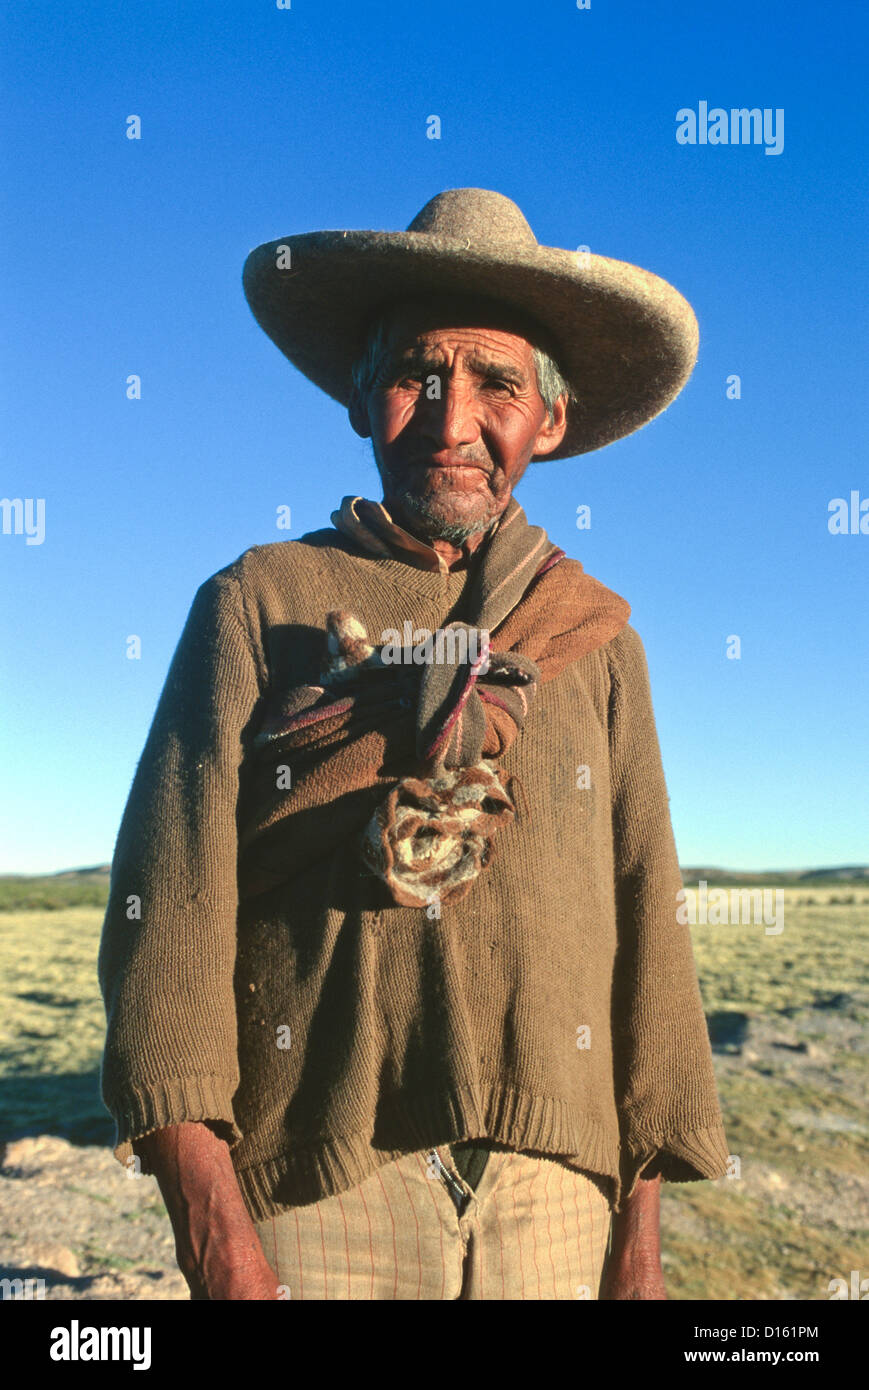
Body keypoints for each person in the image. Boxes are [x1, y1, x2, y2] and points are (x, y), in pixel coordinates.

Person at [98, 188, 730, 1301]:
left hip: (558, 1197)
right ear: (358, 396)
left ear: (550, 421)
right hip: (320, 1194)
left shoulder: (594, 638)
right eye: (414, 376)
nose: (449, 421)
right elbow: (171, 912)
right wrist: (215, 1233)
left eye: (496, 383)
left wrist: (636, 1245)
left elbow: (647, 920)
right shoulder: (262, 599)